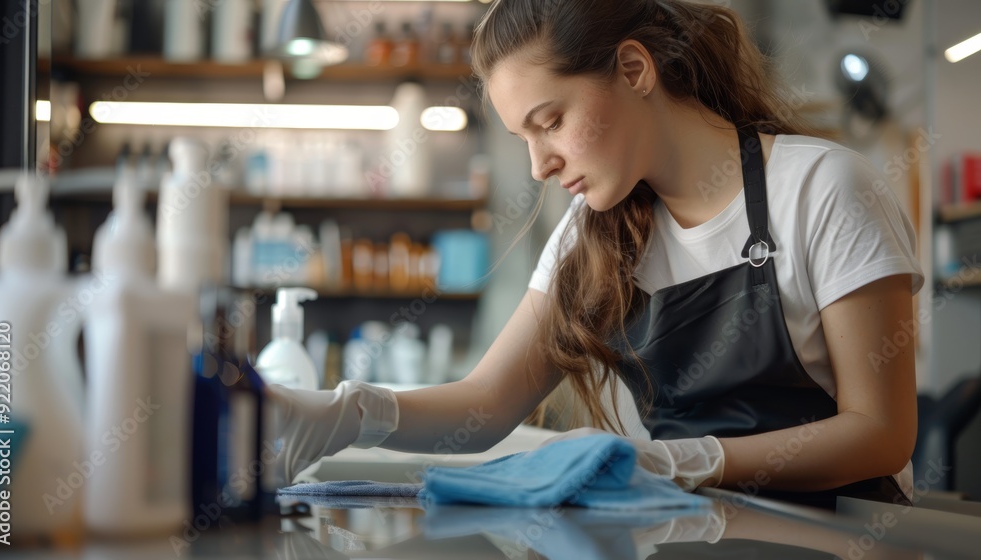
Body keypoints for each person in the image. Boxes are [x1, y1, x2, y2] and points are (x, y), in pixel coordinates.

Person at [268, 0, 924, 510]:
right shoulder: (594, 234)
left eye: (549, 121)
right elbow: (484, 404)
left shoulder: (822, 189)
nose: (540, 163)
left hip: (839, 536)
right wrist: (348, 413)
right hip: (694, 533)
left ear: (635, 70)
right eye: (523, 136)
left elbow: (881, 431)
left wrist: (678, 461)